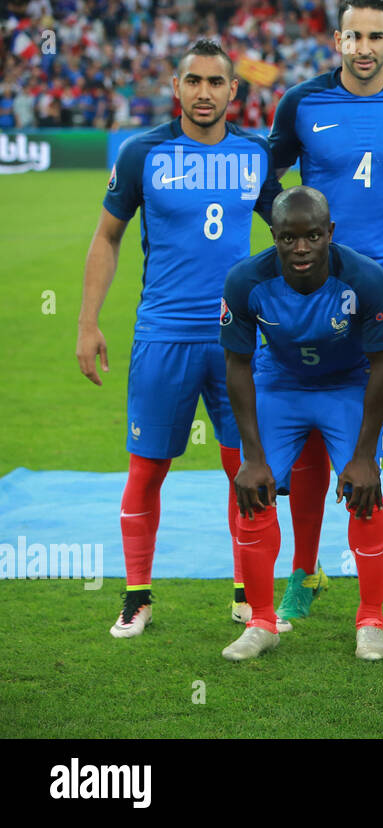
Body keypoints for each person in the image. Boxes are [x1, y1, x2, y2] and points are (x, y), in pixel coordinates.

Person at [77, 39, 281, 638]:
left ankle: (248, 593)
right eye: (192, 81)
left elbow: (297, 232)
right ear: (175, 86)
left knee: (244, 469)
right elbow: (107, 238)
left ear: (232, 91)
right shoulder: (143, 152)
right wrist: (87, 322)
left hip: (236, 339)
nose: (203, 93)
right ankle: (136, 595)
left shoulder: (256, 154)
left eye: (215, 83)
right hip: (162, 335)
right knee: (146, 471)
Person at [269, 0, 383, 628]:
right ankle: (304, 569)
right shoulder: (302, 102)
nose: (365, 48)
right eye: (354, 37)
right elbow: (270, 184)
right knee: (316, 440)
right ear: (337, 41)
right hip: (318, 291)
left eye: (376, 37)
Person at [219, 187, 383, 662]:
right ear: (274, 236)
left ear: (330, 234)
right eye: (289, 238)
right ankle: (261, 621)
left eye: (313, 236)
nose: (301, 249)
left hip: (347, 385)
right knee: (253, 494)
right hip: (281, 385)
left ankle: (370, 621)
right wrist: (252, 457)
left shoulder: (365, 277)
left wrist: (364, 457)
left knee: (365, 494)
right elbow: (237, 364)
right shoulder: (244, 281)